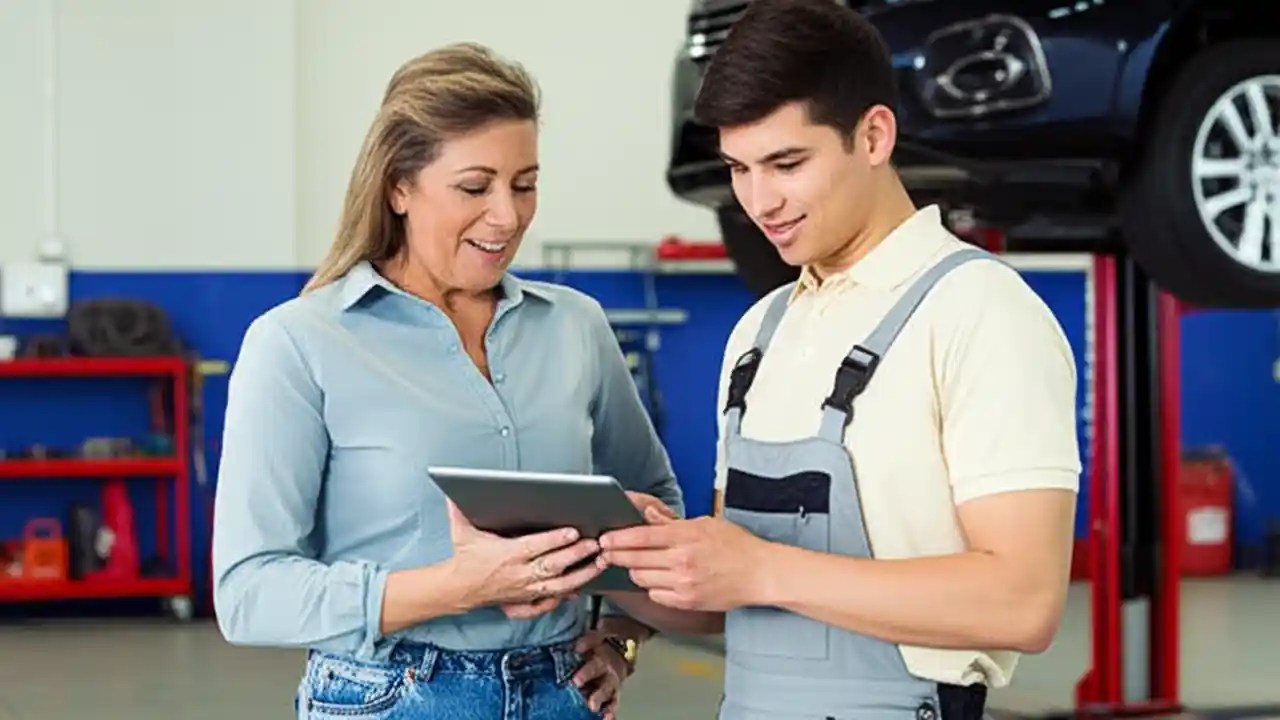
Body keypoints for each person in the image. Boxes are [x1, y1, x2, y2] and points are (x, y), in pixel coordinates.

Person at [596, 1, 1082, 718]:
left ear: (875, 135)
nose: (761, 201)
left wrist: (761, 567)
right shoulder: (758, 335)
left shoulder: (980, 312)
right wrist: (630, 562)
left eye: (787, 163)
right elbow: (741, 608)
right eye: (739, 168)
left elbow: (1024, 601)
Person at [211, 42, 681, 720]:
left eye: (525, 184)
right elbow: (249, 592)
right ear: (399, 186)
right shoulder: (299, 342)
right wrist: (454, 587)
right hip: (390, 696)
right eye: (475, 187)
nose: (508, 216)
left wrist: (623, 637)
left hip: (563, 692)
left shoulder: (577, 327)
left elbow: (658, 505)